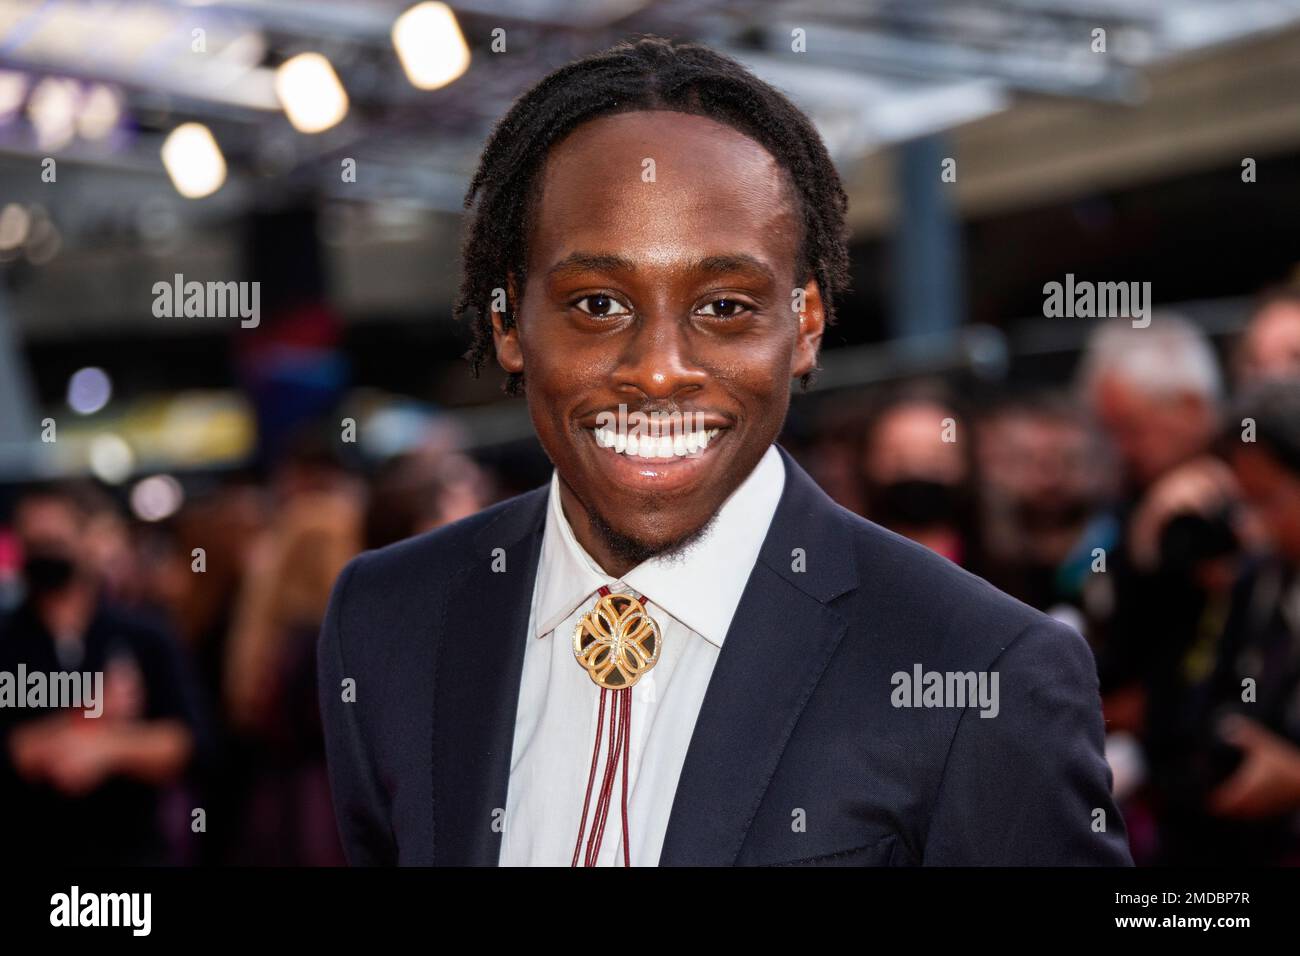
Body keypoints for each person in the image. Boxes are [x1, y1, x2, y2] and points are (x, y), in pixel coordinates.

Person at [318, 36, 1129, 867]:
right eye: (596, 303)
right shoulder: (388, 621)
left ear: (805, 325)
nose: (659, 370)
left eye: (726, 305)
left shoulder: (983, 669)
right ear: (507, 323)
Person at [0, 482, 203, 865]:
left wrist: (107, 748)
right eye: (33, 543)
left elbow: (189, 741)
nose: (44, 555)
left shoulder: (145, 635)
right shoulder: (7, 641)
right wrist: (84, 716)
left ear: (86, 541)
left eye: (55, 541)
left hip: (132, 850)